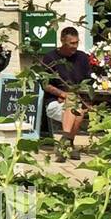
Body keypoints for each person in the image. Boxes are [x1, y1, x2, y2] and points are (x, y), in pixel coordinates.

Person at [42, 26, 94, 154]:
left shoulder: (82, 57)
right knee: (74, 105)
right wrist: (62, 94)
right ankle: (69, 142)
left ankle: (66, 142)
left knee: (78, 109)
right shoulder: (50, 58)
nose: (75, 46)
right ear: (62, 41)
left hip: (76, 101)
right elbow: (45, 84)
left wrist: (83, 99)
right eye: (71, 43)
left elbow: (87, 82)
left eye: (77, 43)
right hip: (55, 103)